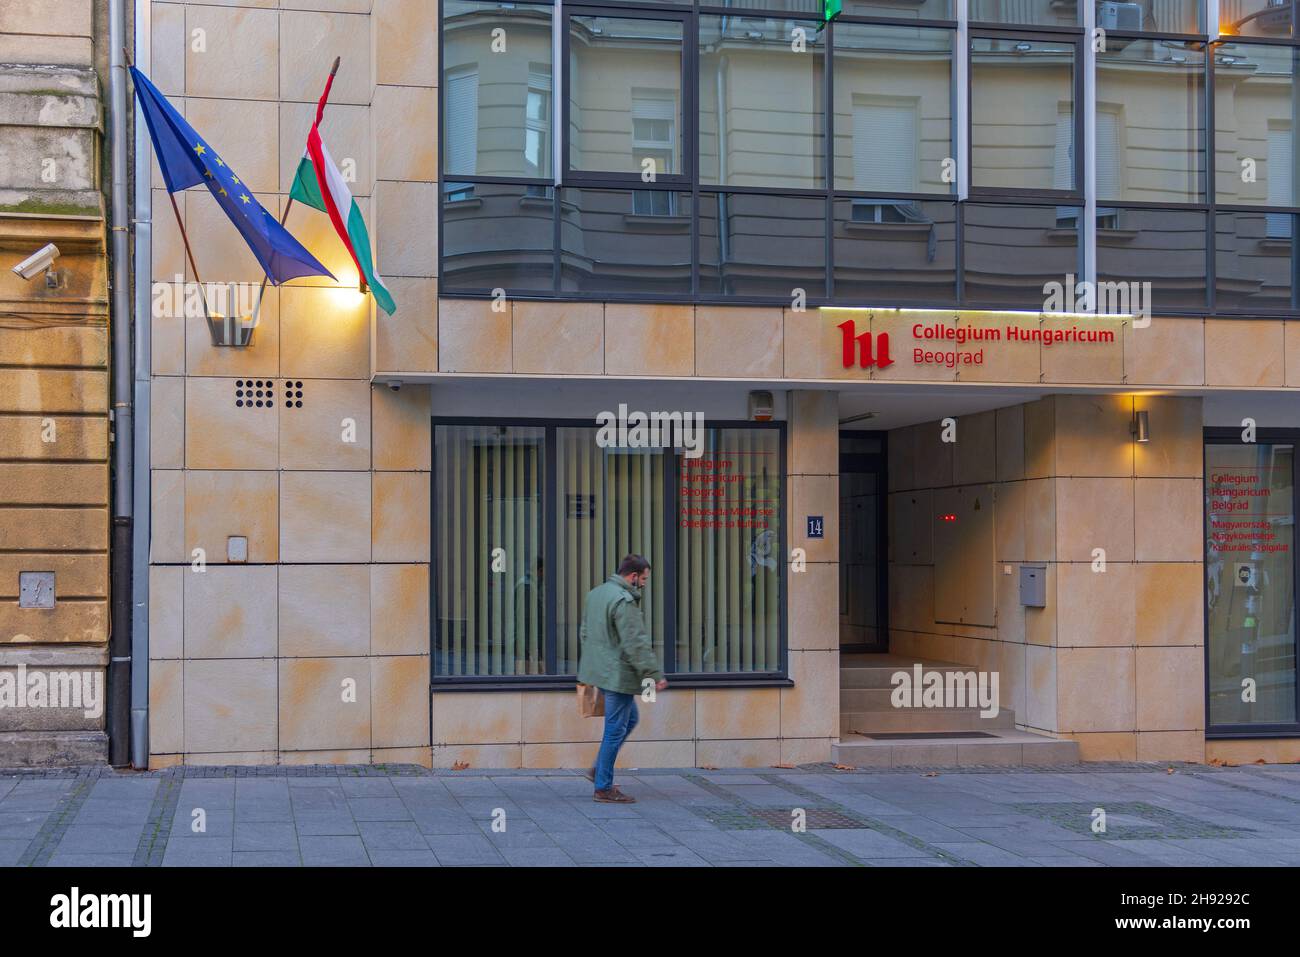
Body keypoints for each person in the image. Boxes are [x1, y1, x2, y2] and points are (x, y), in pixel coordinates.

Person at [578, 554, 667, 803]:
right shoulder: (623, 600)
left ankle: (599, 771)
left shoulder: (596, 593)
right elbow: (635, 642)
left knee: (630, 719)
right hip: (616, 674)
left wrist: (594, 664)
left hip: (600, 671)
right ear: (633, 576)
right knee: (615, 729)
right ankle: (603, 787)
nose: (645, 584)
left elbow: (584, 632)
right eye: (644, 579)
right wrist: (653, 674)